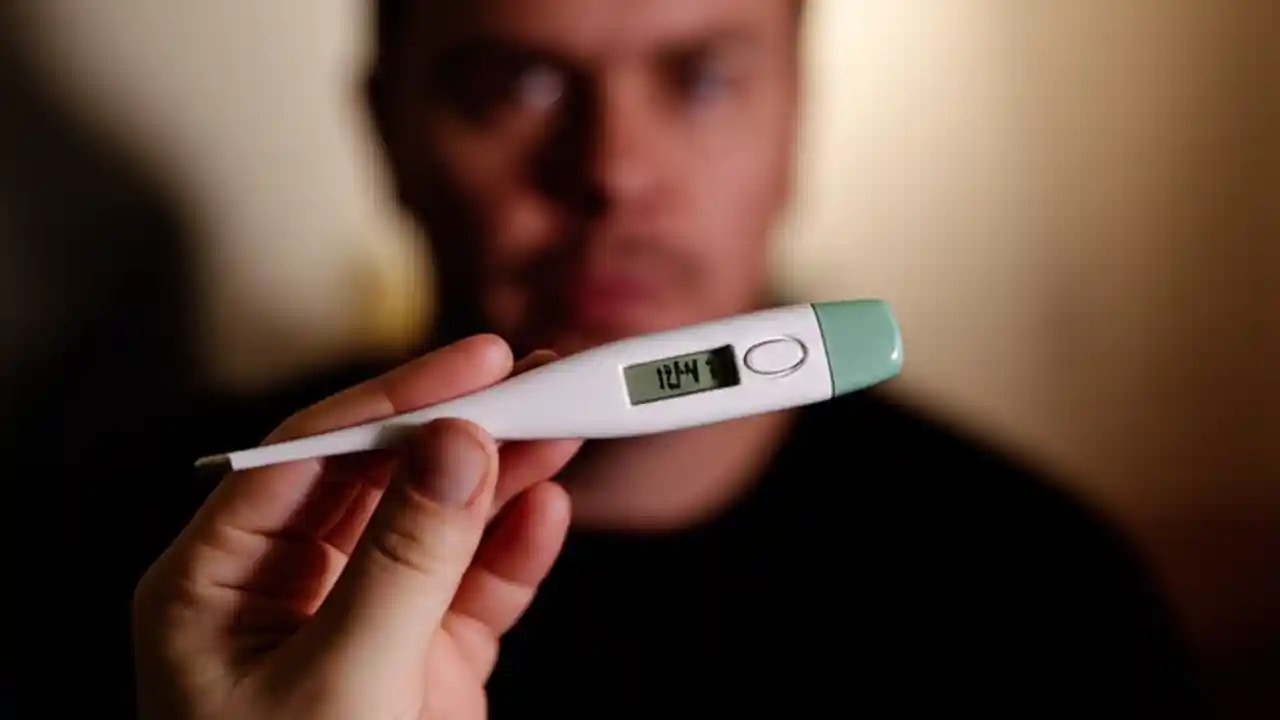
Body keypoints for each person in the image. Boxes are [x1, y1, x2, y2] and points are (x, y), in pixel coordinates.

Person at [120, 0, 1211, 717]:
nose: (612, 171)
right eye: (515, 85)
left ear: (796, 119)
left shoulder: (1047, 593)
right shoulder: (167, 576)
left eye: (697, 79)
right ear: (387, 132)